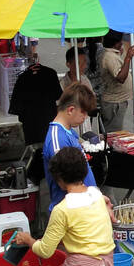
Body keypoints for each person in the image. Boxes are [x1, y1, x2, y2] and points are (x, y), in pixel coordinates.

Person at [42, 82, 99, 210]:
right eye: (83, 112)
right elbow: (66, 182)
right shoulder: (58, 138)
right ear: (71, 110)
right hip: (73, 211)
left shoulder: (68, 131)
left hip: (82, 205)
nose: (85, 117)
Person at [8, 52, 63, 147]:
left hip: (31, 125)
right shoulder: (51, 74)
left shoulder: (22, 78)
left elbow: (16, 107)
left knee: (37, 150)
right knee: (52, 146)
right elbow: (58, 95)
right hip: (49, 119)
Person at [98, 31, 134, 132]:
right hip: (114, 103)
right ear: (117, 43)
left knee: (113, 131)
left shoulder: (111, 54)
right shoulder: (109, 56)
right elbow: (120, 78)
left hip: (117, 101)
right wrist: (128, 57)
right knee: (113, 134)